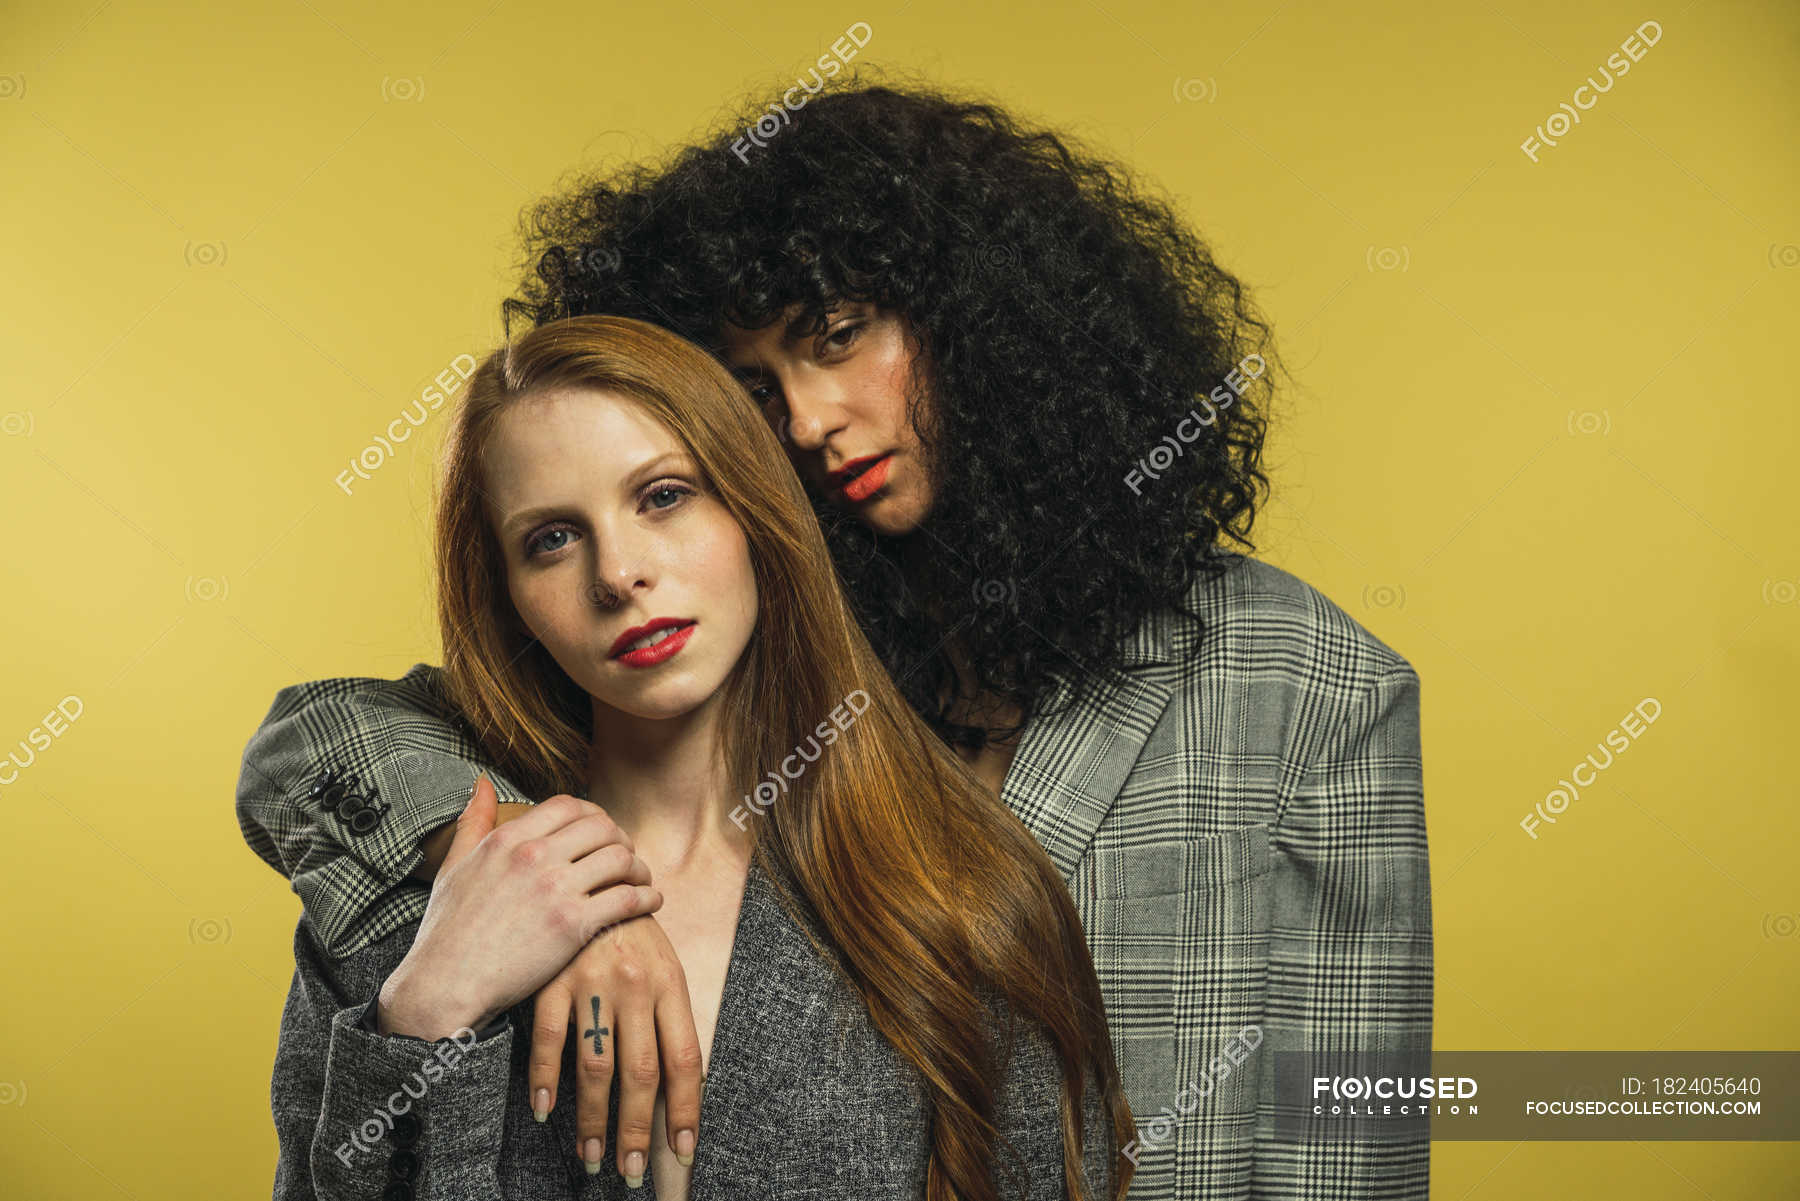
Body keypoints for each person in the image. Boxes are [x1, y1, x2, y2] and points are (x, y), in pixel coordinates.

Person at [238, 75, 1431, 1200]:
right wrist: (548, 881)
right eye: (753, 388)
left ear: (986, 312)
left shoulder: (1306, 680)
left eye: (839, 332)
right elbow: (319, 739)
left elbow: (1353, 1119)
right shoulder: (735, 640)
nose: (807, 420)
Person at [252, 314, 1132, 1200]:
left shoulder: (966, 894)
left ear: (754, 508)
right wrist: (427, 1009)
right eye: (551, 537)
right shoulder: (412, 909)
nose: (617, 573)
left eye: (663, 495)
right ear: (507, 596)